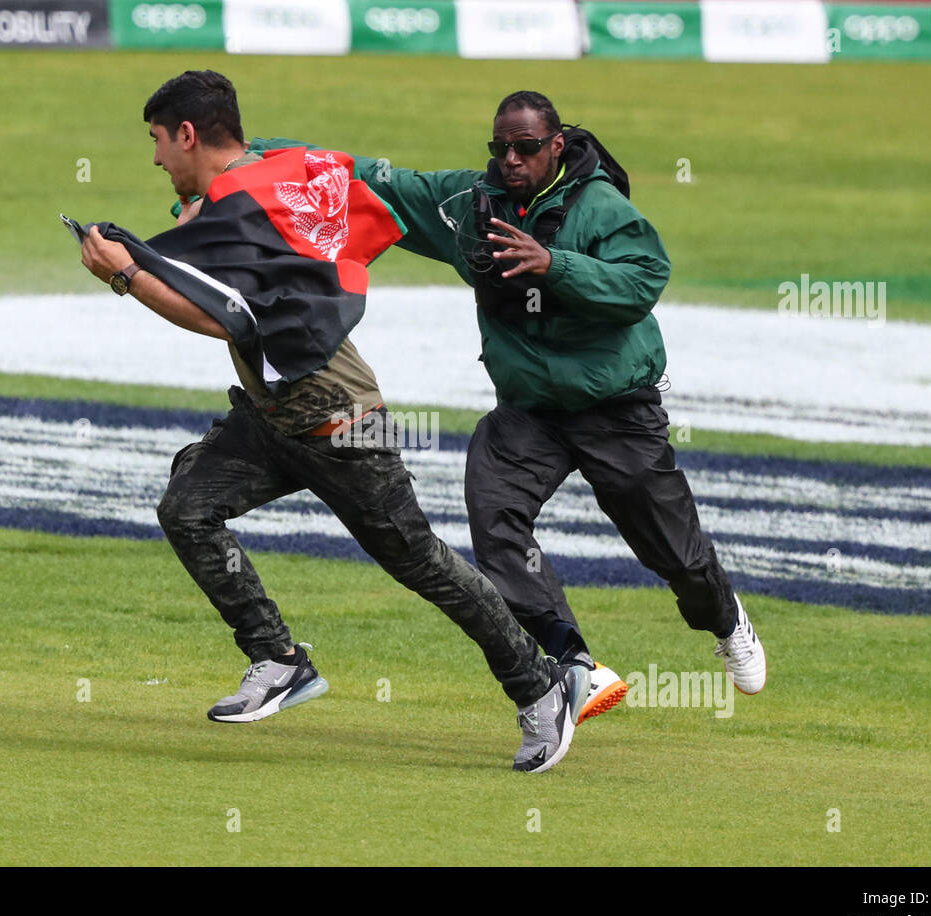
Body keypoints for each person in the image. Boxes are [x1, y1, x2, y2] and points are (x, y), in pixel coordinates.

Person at [78, 71, 622, 773]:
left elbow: (224, 318)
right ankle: (277, 658)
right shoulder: (272, 174)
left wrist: (128, 277)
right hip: (274, 415)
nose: (155, 158)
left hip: (339, 420)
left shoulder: (245, 202)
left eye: (157, 140)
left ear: (187, 134)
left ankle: (541, 684)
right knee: (187, 507)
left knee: (420, 562)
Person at [250, 90, 766, 695]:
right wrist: (247, 157)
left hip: (616, 410)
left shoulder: (600, 207)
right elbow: (379, 181)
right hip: (527, 413)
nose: (512, 159)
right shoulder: (469, 205)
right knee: (495, 521)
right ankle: (571, 659)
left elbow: (643, 280)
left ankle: (727, 622)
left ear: (554, 146)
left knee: (674, 552)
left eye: (526, 148)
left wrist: (555, 265)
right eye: (502, 148)